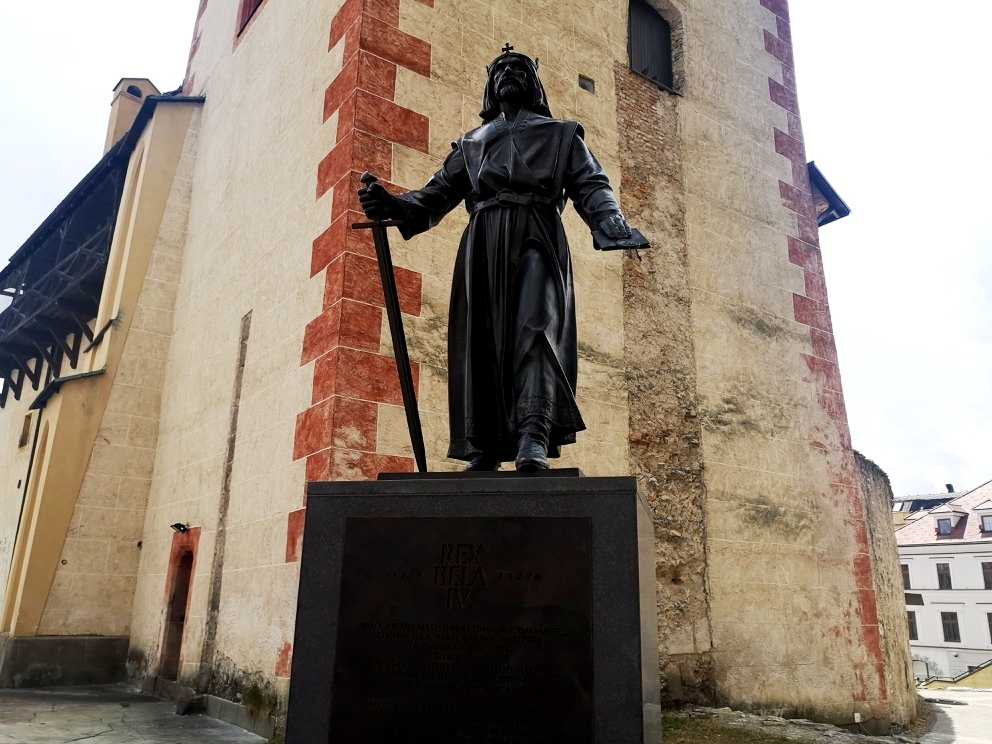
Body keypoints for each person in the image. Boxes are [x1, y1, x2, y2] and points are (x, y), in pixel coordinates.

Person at [358, 48, 636, 471]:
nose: (508, 73)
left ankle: (534, 434)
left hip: (537, 232)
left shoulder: (561, 135)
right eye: (501, 69)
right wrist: (394, 204)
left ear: (534, 84)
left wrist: (609, 219)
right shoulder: (472, 142)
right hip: (483, 239)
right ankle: (483, 444)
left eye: (518, 68)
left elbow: (591, 183)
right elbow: (436, 193)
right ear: (490, 86)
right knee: (481, 339)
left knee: (537, 327)